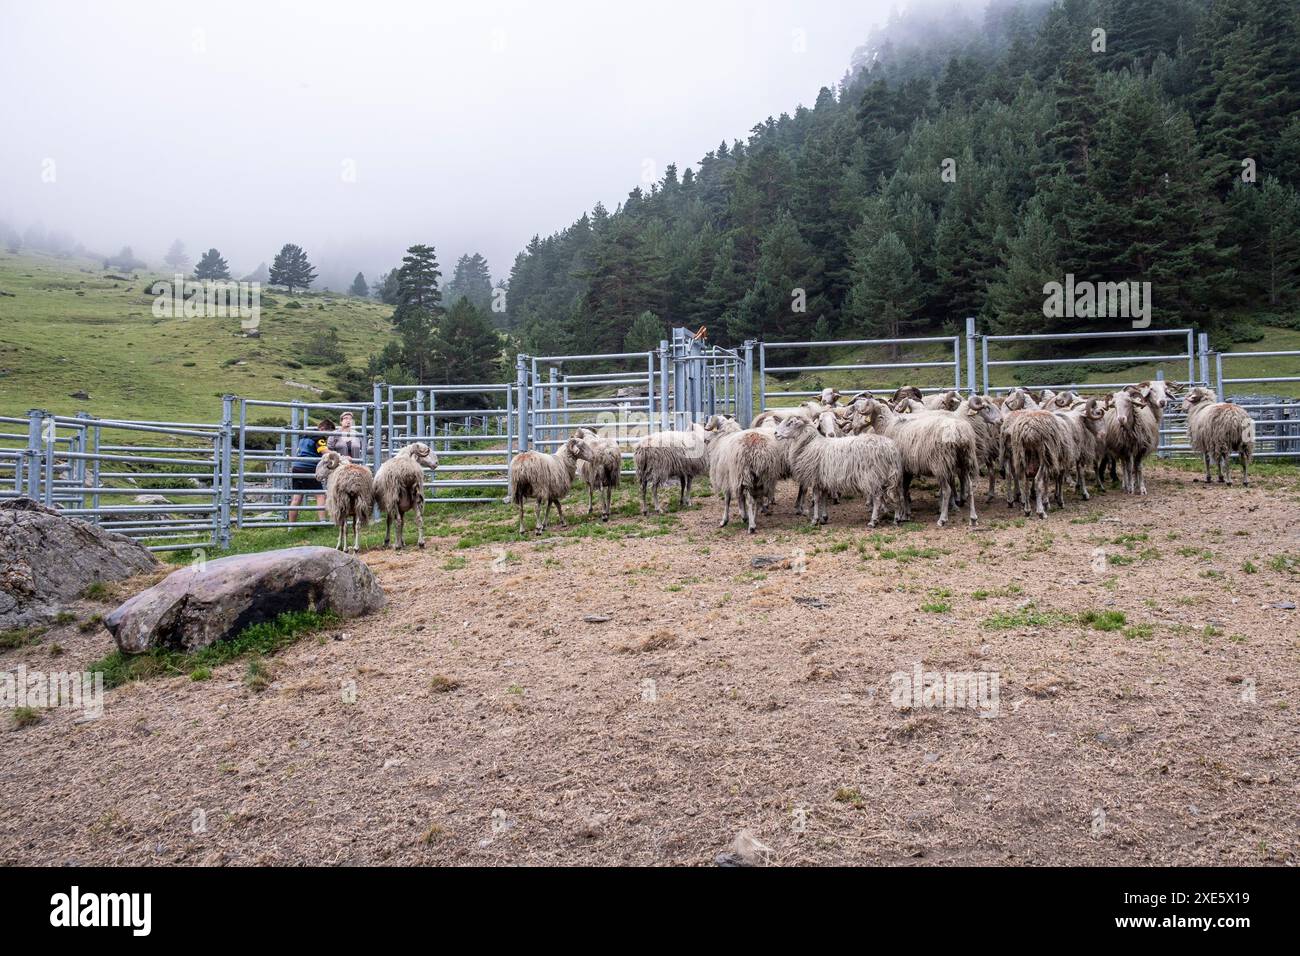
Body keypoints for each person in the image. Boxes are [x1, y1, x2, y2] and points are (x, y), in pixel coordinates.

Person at [287, 417, 334, 523]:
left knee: (296, 498)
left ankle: (291, 526)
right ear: (323, 429)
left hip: (297, 467)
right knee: (320, 495)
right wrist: (338, 456)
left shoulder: (304, 436)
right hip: (308, 467)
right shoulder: (319, 437)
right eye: (328, 432)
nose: (328, 436)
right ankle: (323, 522)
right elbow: (324, 451)